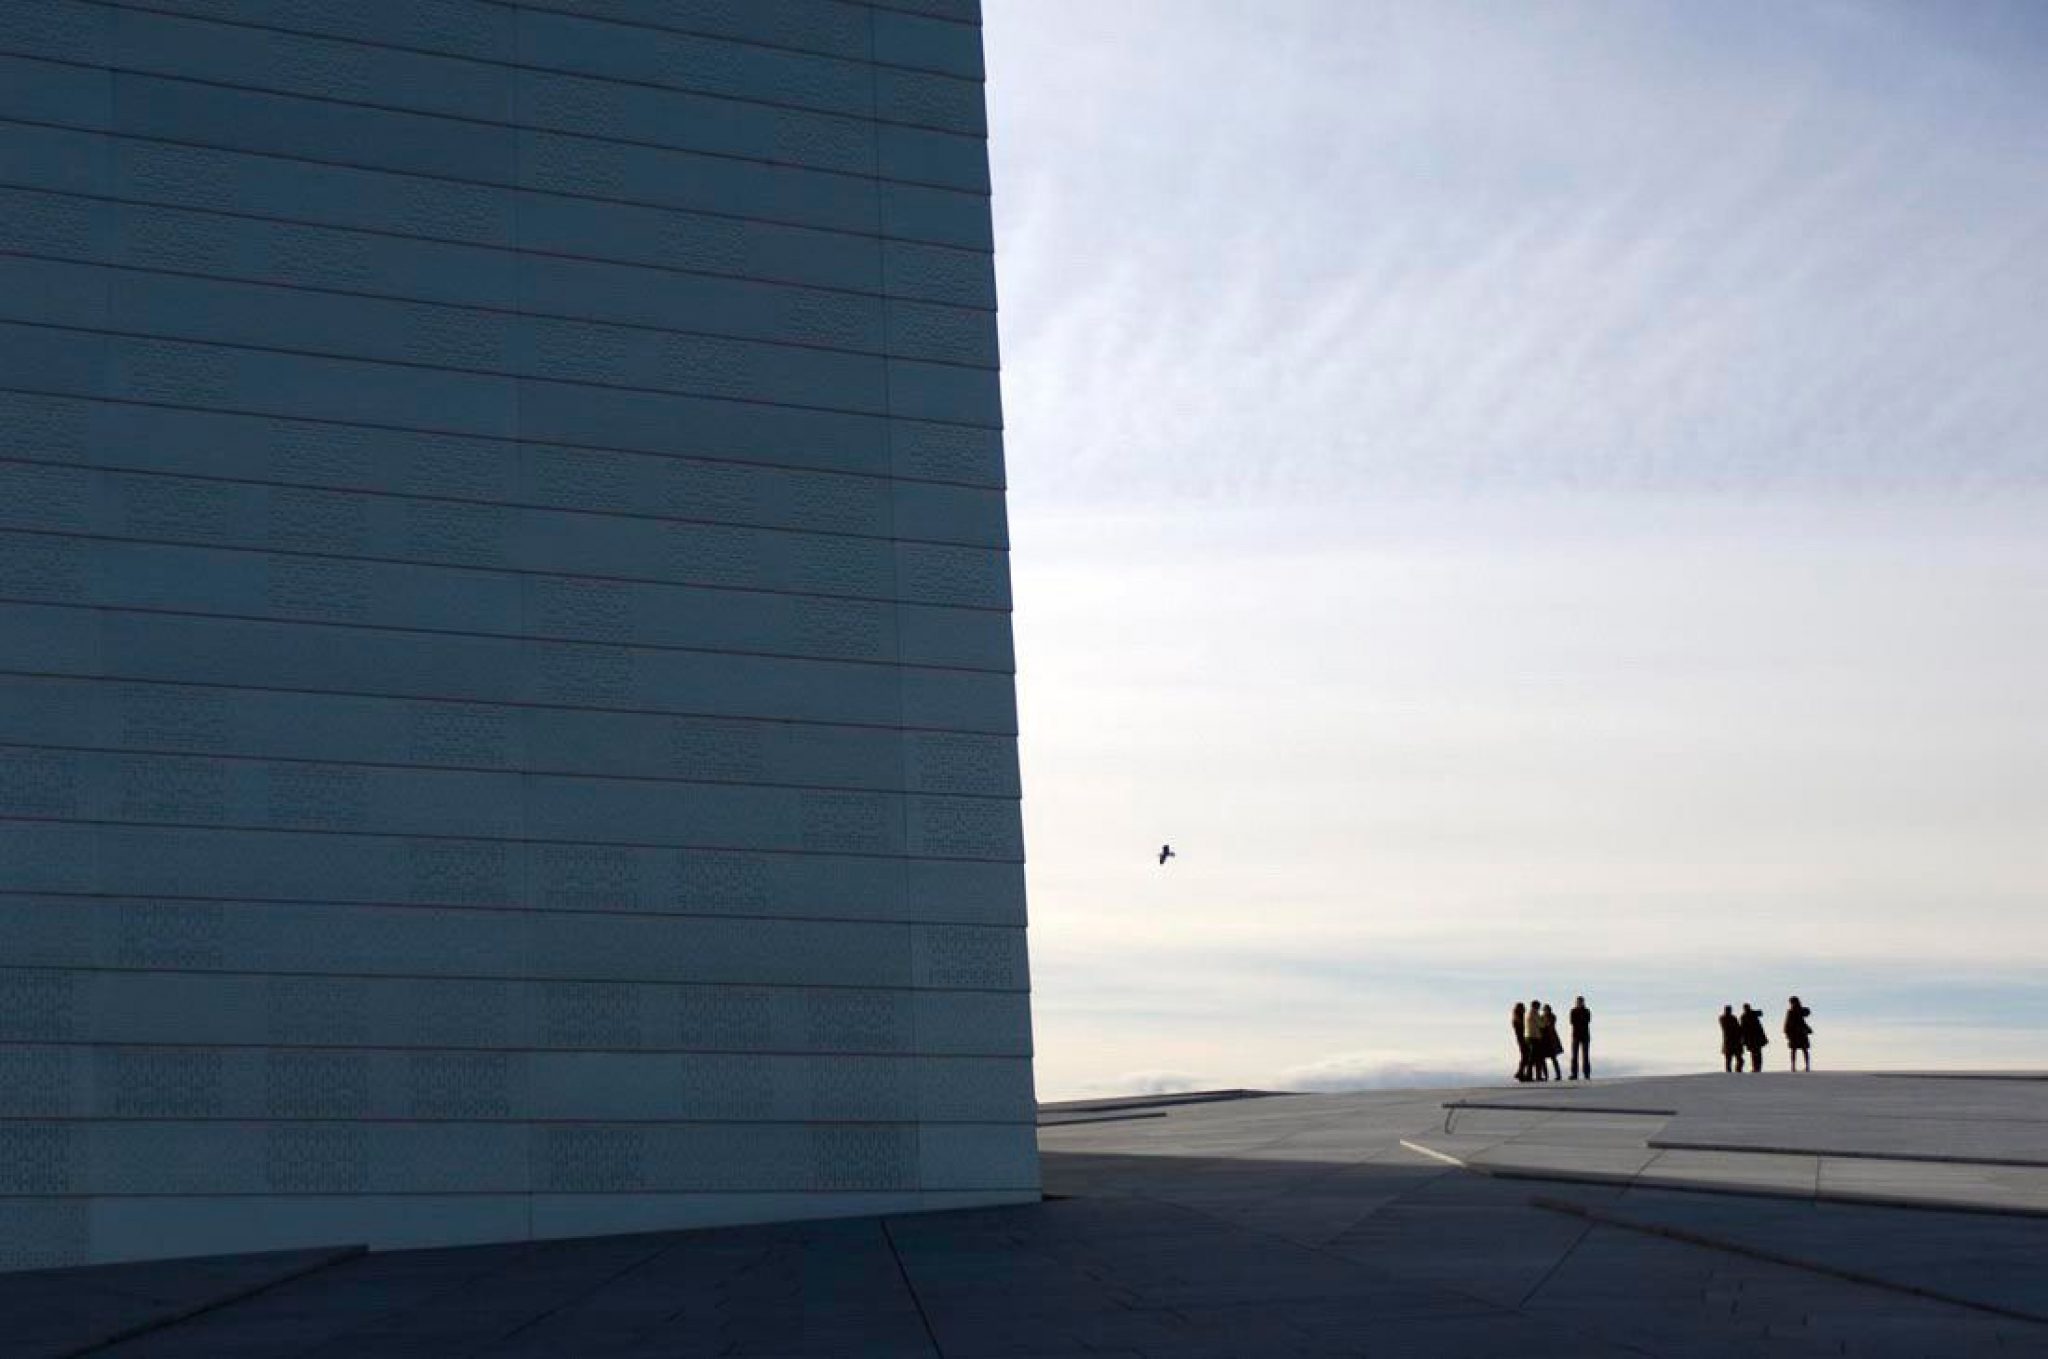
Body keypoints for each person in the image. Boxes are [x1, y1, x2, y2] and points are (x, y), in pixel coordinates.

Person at [1784, 996, 1813, 1071]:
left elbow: (1787, 1023)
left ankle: (1794, 1067)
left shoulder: (1791, 1011)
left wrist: (1786, 1032)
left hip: (1795, 1033)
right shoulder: (1798, 1010)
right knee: (1804, 1050)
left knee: (1795, 1050)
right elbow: (1807, 1013)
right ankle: (1806, 1066)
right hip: (1800, 1033)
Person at [1740, 1003, 1769, 1074]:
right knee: (1757, 1053)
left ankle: (1756, 1068)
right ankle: (1757, 1067)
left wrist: (1743, 1039)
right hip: (1755, 1037)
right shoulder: (1749, 1015)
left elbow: (1743, 1029)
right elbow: (1760, 1013)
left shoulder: (1744, 1016)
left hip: (1752, 1038)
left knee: (1755, 1053)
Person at [1568, 996, 1592, 1080]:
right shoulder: (1573, 1011)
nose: (1579, 1003)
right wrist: (1581, 1021)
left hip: (1585, 1035)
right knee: (1574, 1055)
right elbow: (1572, 1021)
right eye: (1578, 1002)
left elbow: (1588, 1020)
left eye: (1581, 1002)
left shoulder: (1587, 1011)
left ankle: (1586, 1073)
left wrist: (1580, 1020)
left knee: (1585, 1055)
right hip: (1576, 1035)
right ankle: (1574, 1074)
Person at [1526, 999, 1548, 1081]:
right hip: (1534, 1037)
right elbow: (1541, 1025)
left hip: (1531, 1037)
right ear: (1536, 1006)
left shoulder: (1531, 1013)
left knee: (1533, 1057)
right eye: (1539, 1006)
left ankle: (1531, 1075)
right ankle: (1531, 1076)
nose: (1539, 1008)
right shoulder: (1534, 1014)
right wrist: (1545, 1020)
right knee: (1535, 1057)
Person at [1540, 1003, 1563, 1081]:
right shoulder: (1542, 1017)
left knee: (1553, 1058)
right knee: (1543, 1059)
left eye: (1546, 1010)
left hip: (1551, 1040)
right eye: (1544, 1010)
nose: (1545, 1011)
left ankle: (1558, 1075)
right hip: (1544, 1040)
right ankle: (1546, 1075)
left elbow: (1549, 1025)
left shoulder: (1552, 1017)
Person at [1718, 1005, 1744, 1072]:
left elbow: (1738, 1028)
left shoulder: (1730, 1018)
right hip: (1731, 1042)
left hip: (1733, 1042)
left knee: (1735, 1059)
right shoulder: (1724, 1018)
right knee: (1730, 1059)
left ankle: (1736, 1071)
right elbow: (1735, 1028)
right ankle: (1733, 1072)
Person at [1512, 1002, 1530, 1082]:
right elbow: (1523, 1030)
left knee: (1525, 1056)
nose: (1524, 1009)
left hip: (1521, 1039)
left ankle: (1521, 1073)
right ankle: (1520, 1073)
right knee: (1525, 1056)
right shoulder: (1519, 1019)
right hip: (1523, 1039)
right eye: (1523, 1008)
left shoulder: (1516, 1018)